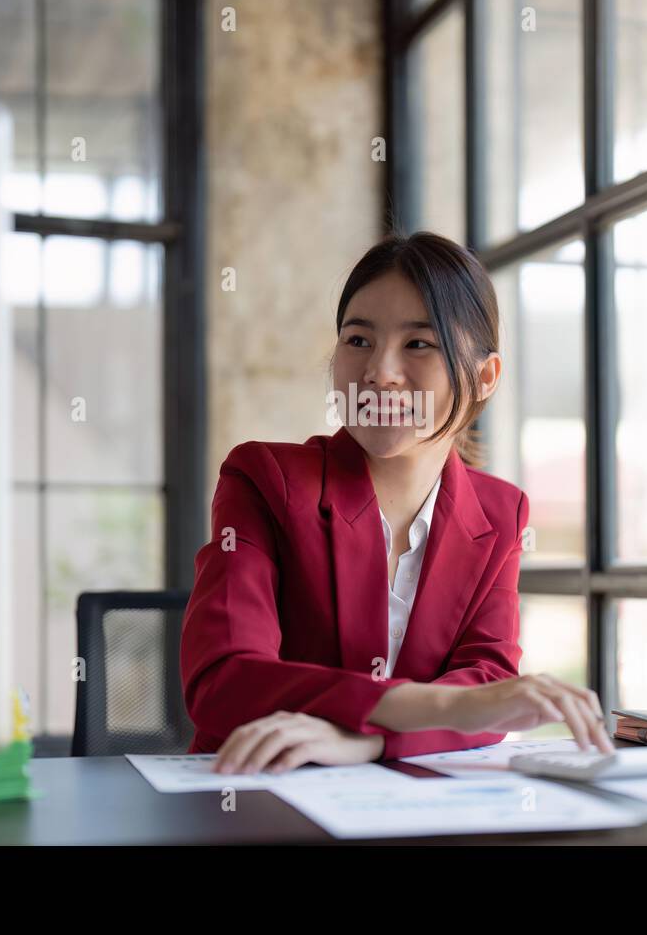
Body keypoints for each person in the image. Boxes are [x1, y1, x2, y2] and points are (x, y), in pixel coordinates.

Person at [180, 230, 614, 775]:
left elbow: (486, 680)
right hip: (253, 801)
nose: (379, 373)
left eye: (419, 344)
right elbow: (224, 680)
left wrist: (369, 742)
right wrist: (431, 708)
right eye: (358, 340)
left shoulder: (500, 514)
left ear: (485, 377)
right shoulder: (265, 479)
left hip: (411, 813)